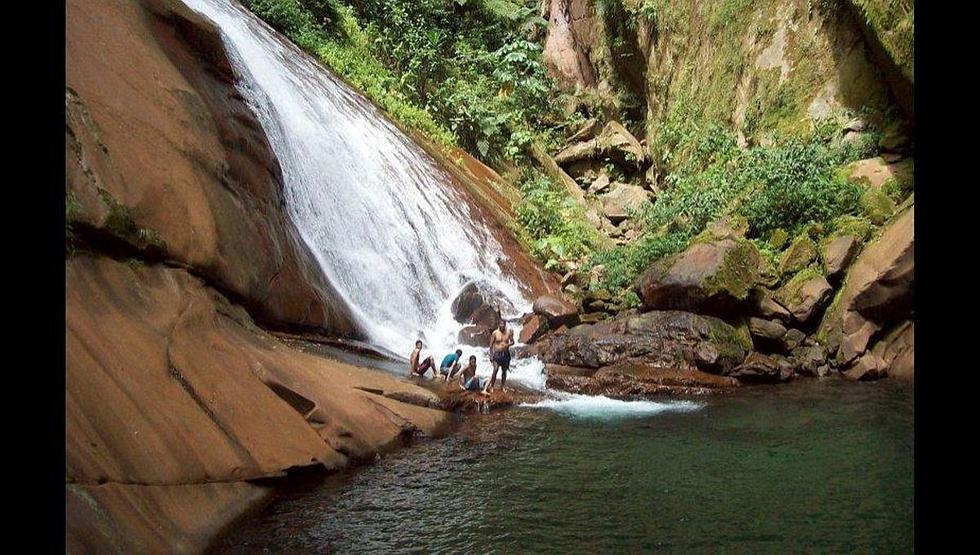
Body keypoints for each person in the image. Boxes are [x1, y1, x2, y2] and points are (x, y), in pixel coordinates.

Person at [489, 320, 514, 392]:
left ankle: (502, 386)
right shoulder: (495, 333)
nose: (502, 325)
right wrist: (491, 355)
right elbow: (491, 345)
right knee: (495, 369)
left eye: (503, 324)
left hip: (505, 354)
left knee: (504, 371)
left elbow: (512, 342)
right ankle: (492, 386)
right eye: (500, 324)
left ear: (505, 325)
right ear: (498, 325)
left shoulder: (508, 332)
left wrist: (507, 344)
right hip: (496, 354)